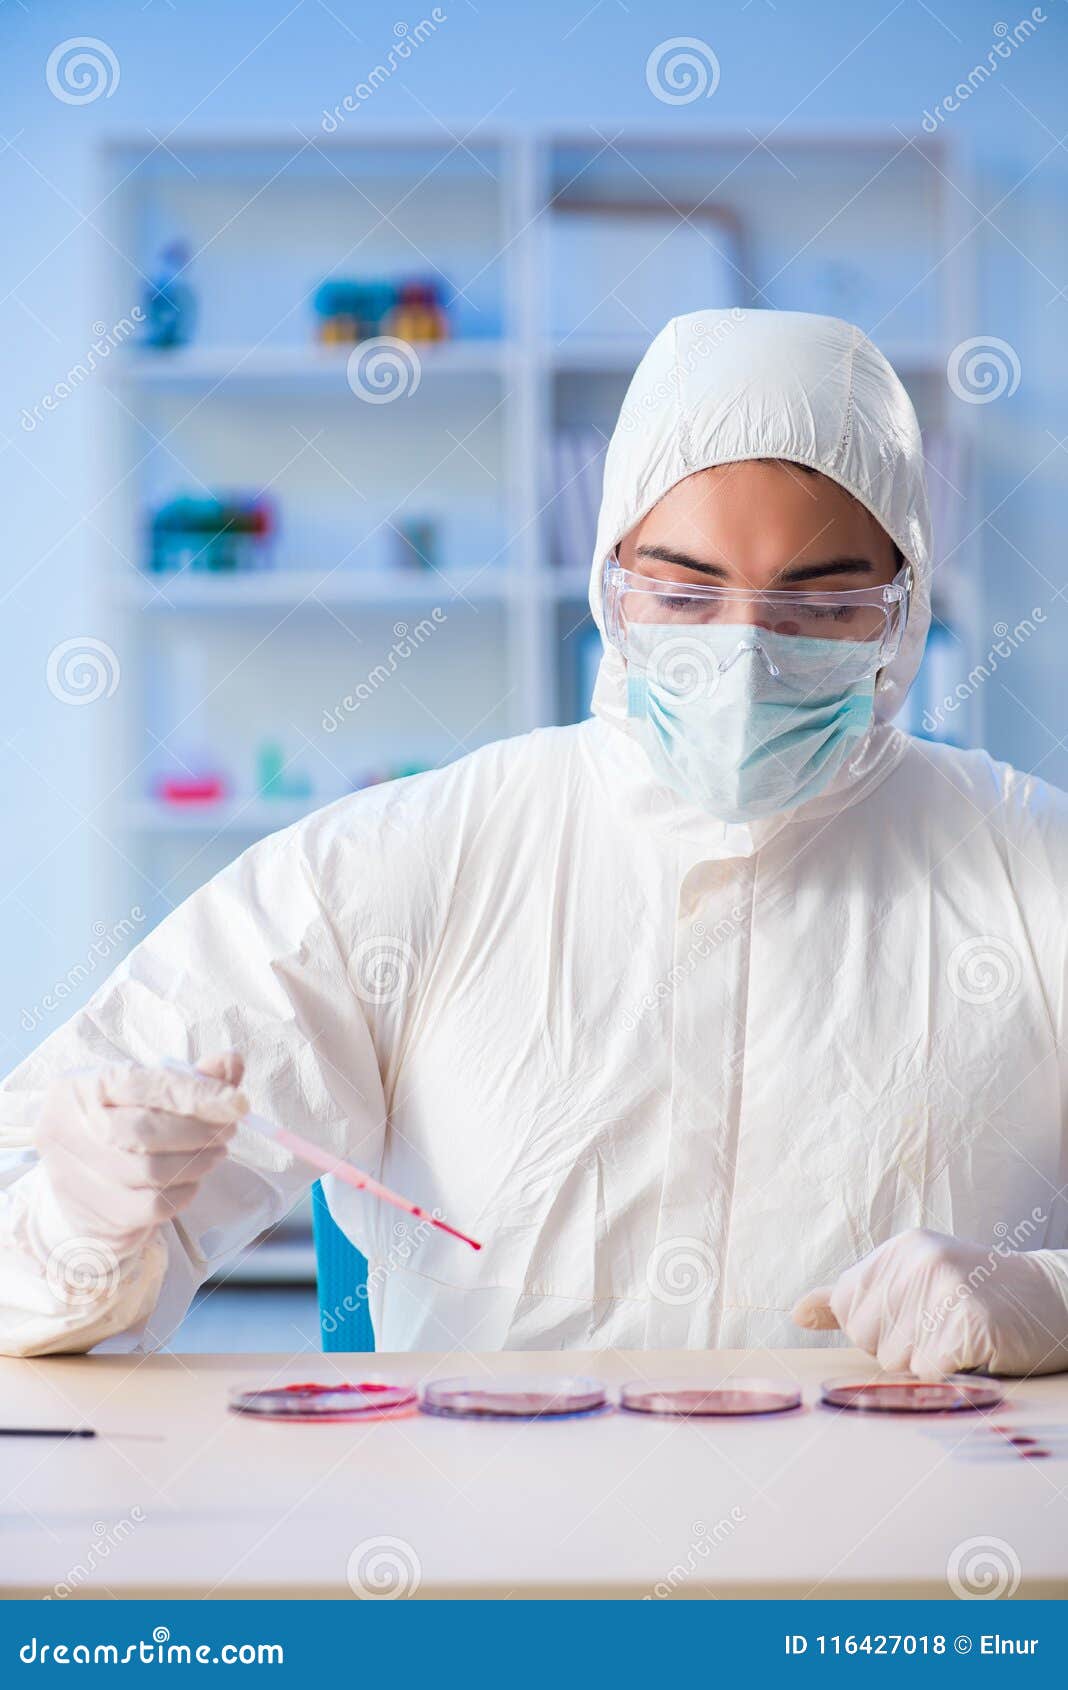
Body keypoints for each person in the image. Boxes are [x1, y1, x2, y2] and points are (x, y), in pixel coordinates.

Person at [1, 308, 1066, 1375]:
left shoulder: (1037, 869)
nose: (744, 661)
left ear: (905, 605)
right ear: (610, 584)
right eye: (683, 592)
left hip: (909, 1535)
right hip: (491, 1535)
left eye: (822, 602)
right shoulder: (402, 862)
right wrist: (78, 1220)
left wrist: (1049, 1299)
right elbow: (29, 1222)